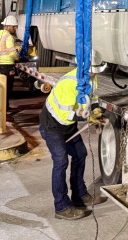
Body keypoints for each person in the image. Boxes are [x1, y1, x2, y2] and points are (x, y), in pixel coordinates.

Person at [39, 57, 108, 219]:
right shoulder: (68, 84)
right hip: (53, 126)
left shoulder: (91, 78)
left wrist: (96, 111)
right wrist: (87, 117)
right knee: (61, 162)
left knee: (80, 155)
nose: (94, 74)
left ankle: (79, 195)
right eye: (92, 70)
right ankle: (61, 207)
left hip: (67, 125)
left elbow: (93, 99)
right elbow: (65, 116)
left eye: (96, 71)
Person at [0, 15, 19, 111]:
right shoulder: (9, 37)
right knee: (7, 88)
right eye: (13, 26)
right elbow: (12, 53)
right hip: (7, 66)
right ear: (7, 26)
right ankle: (4, 108)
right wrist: (18, 58)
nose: (15, 28)